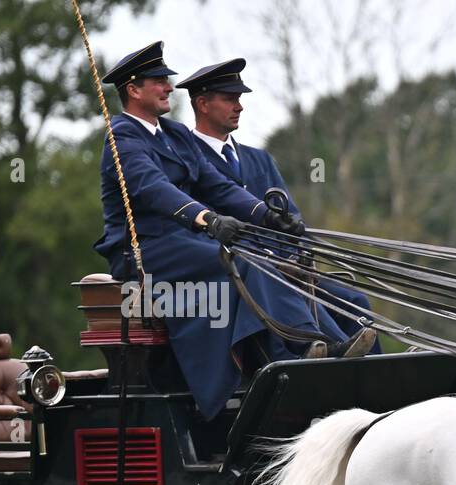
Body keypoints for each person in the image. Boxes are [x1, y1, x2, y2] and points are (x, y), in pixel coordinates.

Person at [91, 42, 371, 421]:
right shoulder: (122, 136)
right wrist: (207, 219)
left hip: (187, 242)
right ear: (134, 89)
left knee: (276, 264)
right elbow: (153, 188)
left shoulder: (174, 135)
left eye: (167, 80)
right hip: (148, 249)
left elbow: (218, 186)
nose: (169, 88)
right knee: (250, 262)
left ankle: (349, 361)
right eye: (158, 81)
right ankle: (302, 352)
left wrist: (267, 216)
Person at [179, 58, 379, 353]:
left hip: (285, 270)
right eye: (230, 99)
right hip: (238, 275)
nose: (239, 106)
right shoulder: (187, 160)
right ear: (203, 104)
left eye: (240, 99)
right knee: (301, 301)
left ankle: (377, 378)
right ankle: (336, 351)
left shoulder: (259, 159)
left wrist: (299, 256)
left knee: (353, 301)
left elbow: (290, 218)